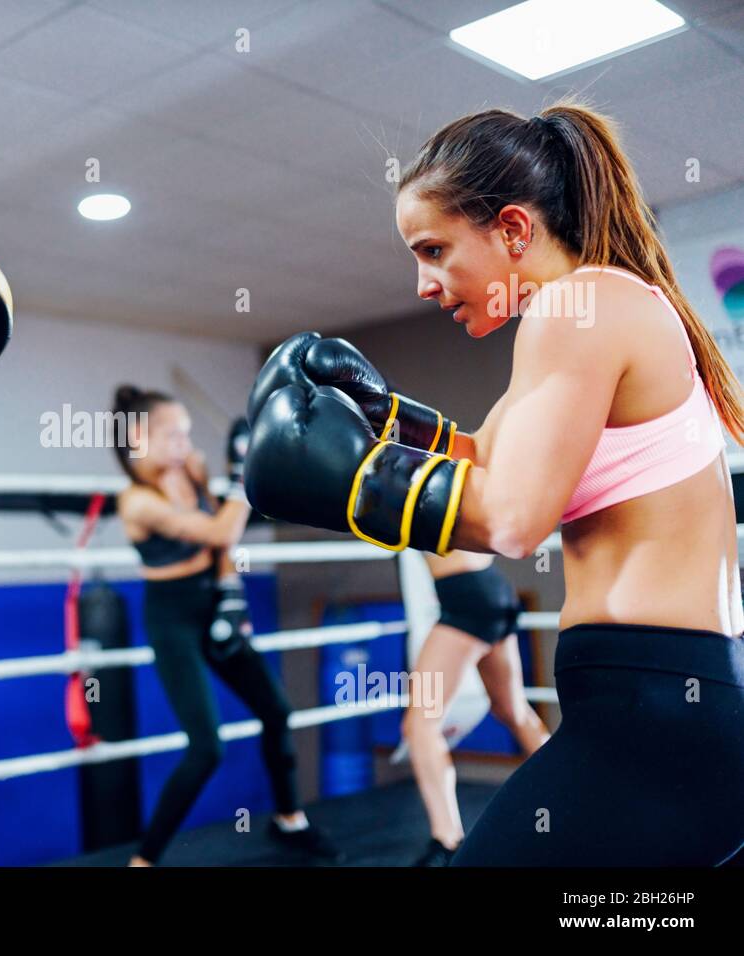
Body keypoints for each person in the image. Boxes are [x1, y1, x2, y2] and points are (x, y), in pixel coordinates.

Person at [244, 100, 744, 865]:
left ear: (512, 230)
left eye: (436, 249)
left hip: (652, 709)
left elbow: (511, 518)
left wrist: (352, 480)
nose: (423, 282)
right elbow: (487, 458)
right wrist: (387, 422)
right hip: (657, 704)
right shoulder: (595, 307)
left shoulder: (579, 310)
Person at [111, 385, 342, 866]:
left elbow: (222, 548)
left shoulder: (190, 470)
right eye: (173, 434)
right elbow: (220, 530)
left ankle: (289, 819)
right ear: (138, 437)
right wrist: (242, 473)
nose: (184, 443)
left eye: (186, 432)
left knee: (276, 712)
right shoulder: (135, 502)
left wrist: (231, 598)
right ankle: (143, 860)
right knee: (206, 748)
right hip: (172, 618)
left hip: (215, 602)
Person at [405, 551, 549, 866]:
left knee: (420, 725)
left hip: (466, 599)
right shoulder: (468, 501)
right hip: (493, 589)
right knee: (513, 711)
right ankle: (575, 803)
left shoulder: (416, 499)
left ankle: (447, 841)